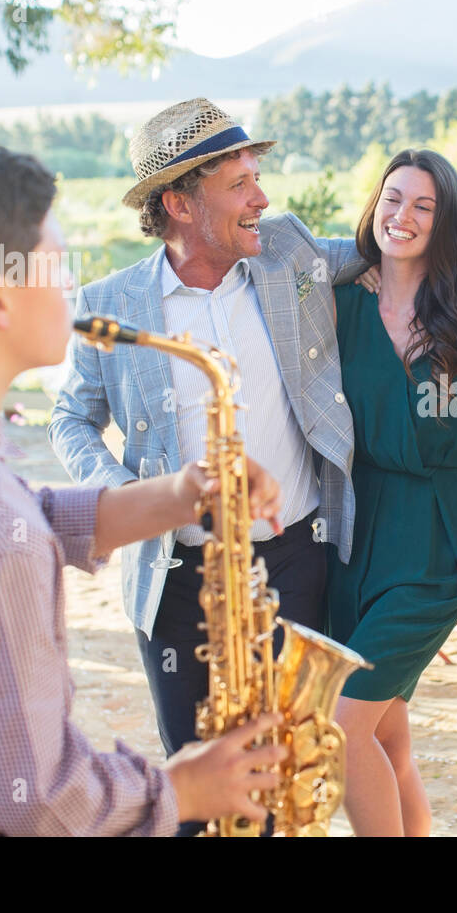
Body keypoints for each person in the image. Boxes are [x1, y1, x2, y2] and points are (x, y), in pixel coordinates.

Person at [0, 145, 287, 837]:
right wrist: (182, 788)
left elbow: (18, 515)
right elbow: (46, 801)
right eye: (56, 264)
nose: (74, 286)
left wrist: (180, 493)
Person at [49, 99, 368, 789]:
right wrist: (133, 499)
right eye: (239, 184)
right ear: (181, 204)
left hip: (294, 558)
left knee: (289, 776)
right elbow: (70, 419)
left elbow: (393, 246)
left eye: (257, 176)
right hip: (177, 575)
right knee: (198, 783)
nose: (262, 197)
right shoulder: (113, 306)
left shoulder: (288, 252)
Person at [326, 150, 457, 836]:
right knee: (387, 738)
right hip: (351, 534)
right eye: (392, 199)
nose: (401, 217)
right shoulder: (340, 301)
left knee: (345, 726)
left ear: (448, 226)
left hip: (434, 542)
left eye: (424, 207)